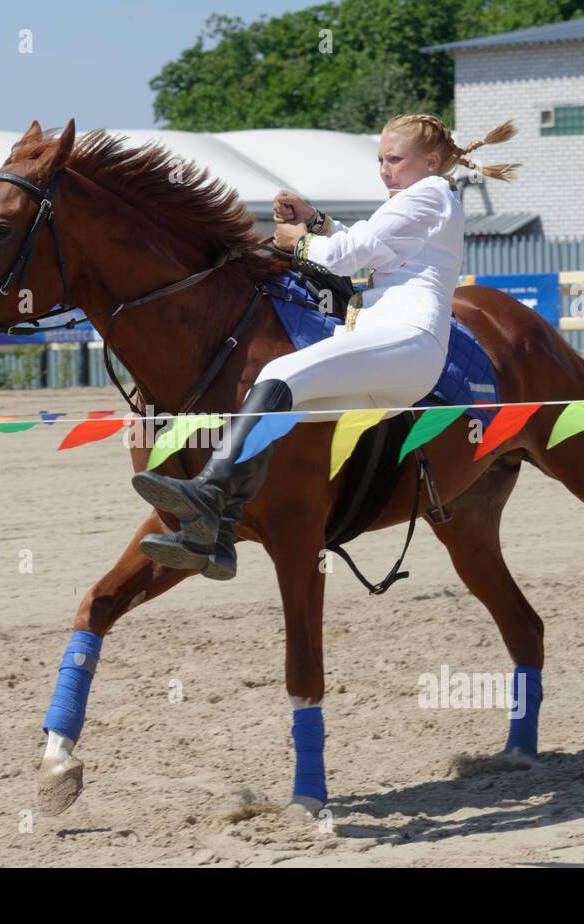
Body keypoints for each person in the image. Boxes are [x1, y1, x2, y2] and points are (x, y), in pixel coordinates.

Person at [132, 114, 520, 580]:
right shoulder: (422, 202)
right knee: (282, 415)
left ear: (431, 161)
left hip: (404, 339)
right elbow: (365, 246)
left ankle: (209, 492)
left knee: (275, 377)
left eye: (395, 159)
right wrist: (315, 221)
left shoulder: (429, 194)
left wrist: (299, 242)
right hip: (393, 348)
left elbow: (346, 256)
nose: (384, 169)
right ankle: (217, 537)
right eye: (381, 159)